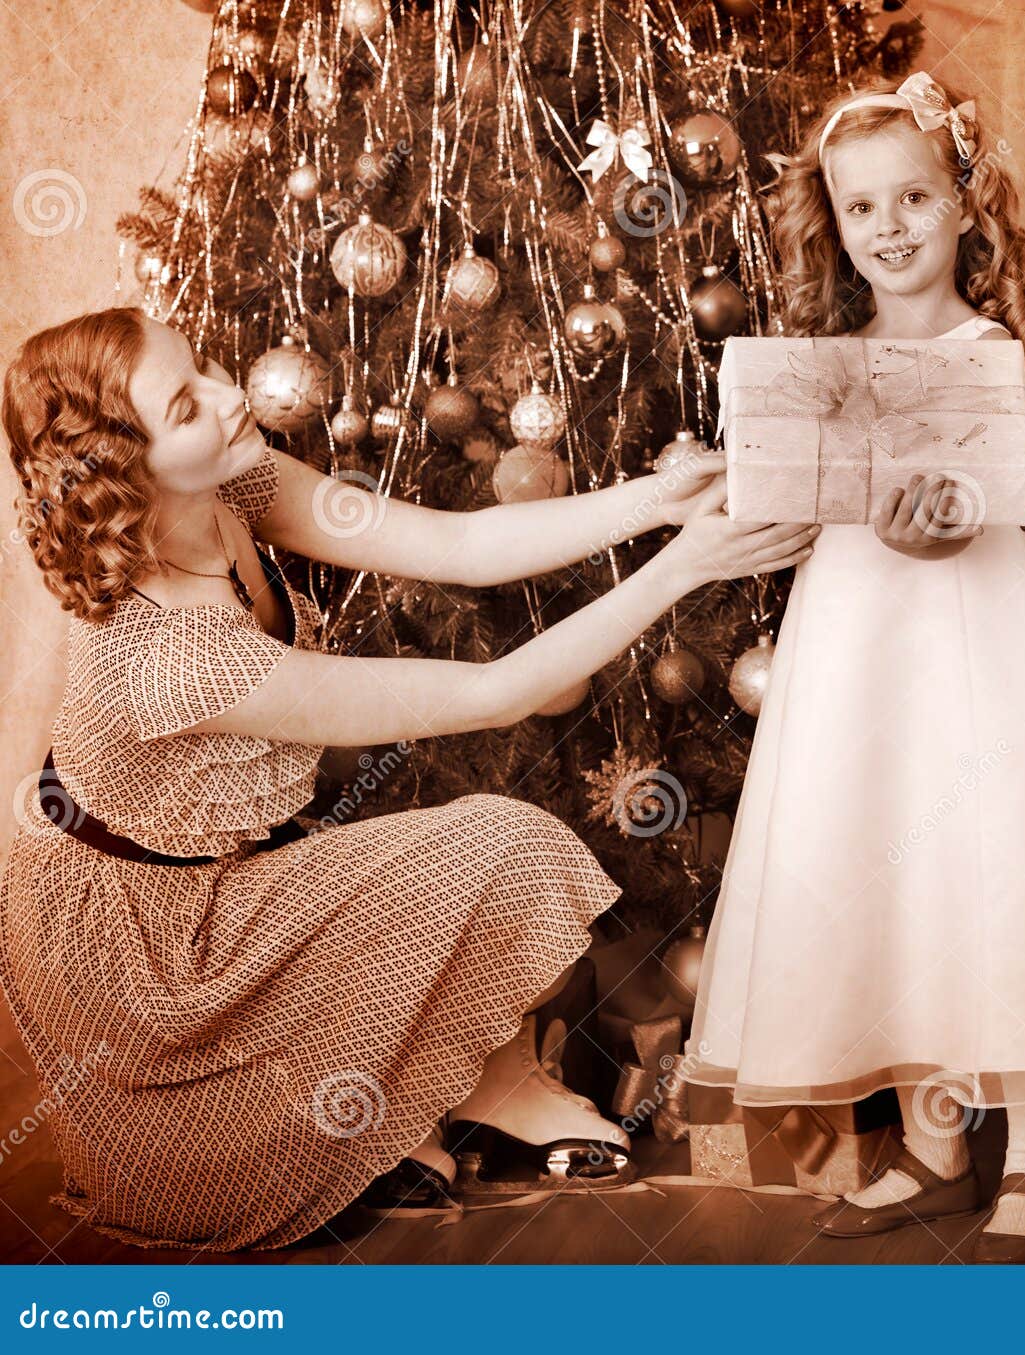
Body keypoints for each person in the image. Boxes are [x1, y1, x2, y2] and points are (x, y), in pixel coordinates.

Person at [0, 306, 818, 1251]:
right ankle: (434, 1102)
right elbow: (503, 691)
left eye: (210, 370)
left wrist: (656, 500)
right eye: (187, 406)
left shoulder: (233, 479)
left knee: (476, 855)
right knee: (494, 846)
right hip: (145, 951)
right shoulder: (171, 654)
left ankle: (475, 1090)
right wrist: (684, 566)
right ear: (128, 471)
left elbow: (455, 546)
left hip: (226, 870)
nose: (231, 401)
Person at [681, 73, 1025, 1265]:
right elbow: (807, 493)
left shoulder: (982, 346)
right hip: (853, 634)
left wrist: (943, 517)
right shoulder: (825, 361)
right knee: (894, 865)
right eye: (860, 205)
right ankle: (934, 1149)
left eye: (914, 198)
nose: (888, 227)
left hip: (975, 632)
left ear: (962, 206)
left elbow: (993, 499)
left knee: (999, 863)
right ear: (834, 221)